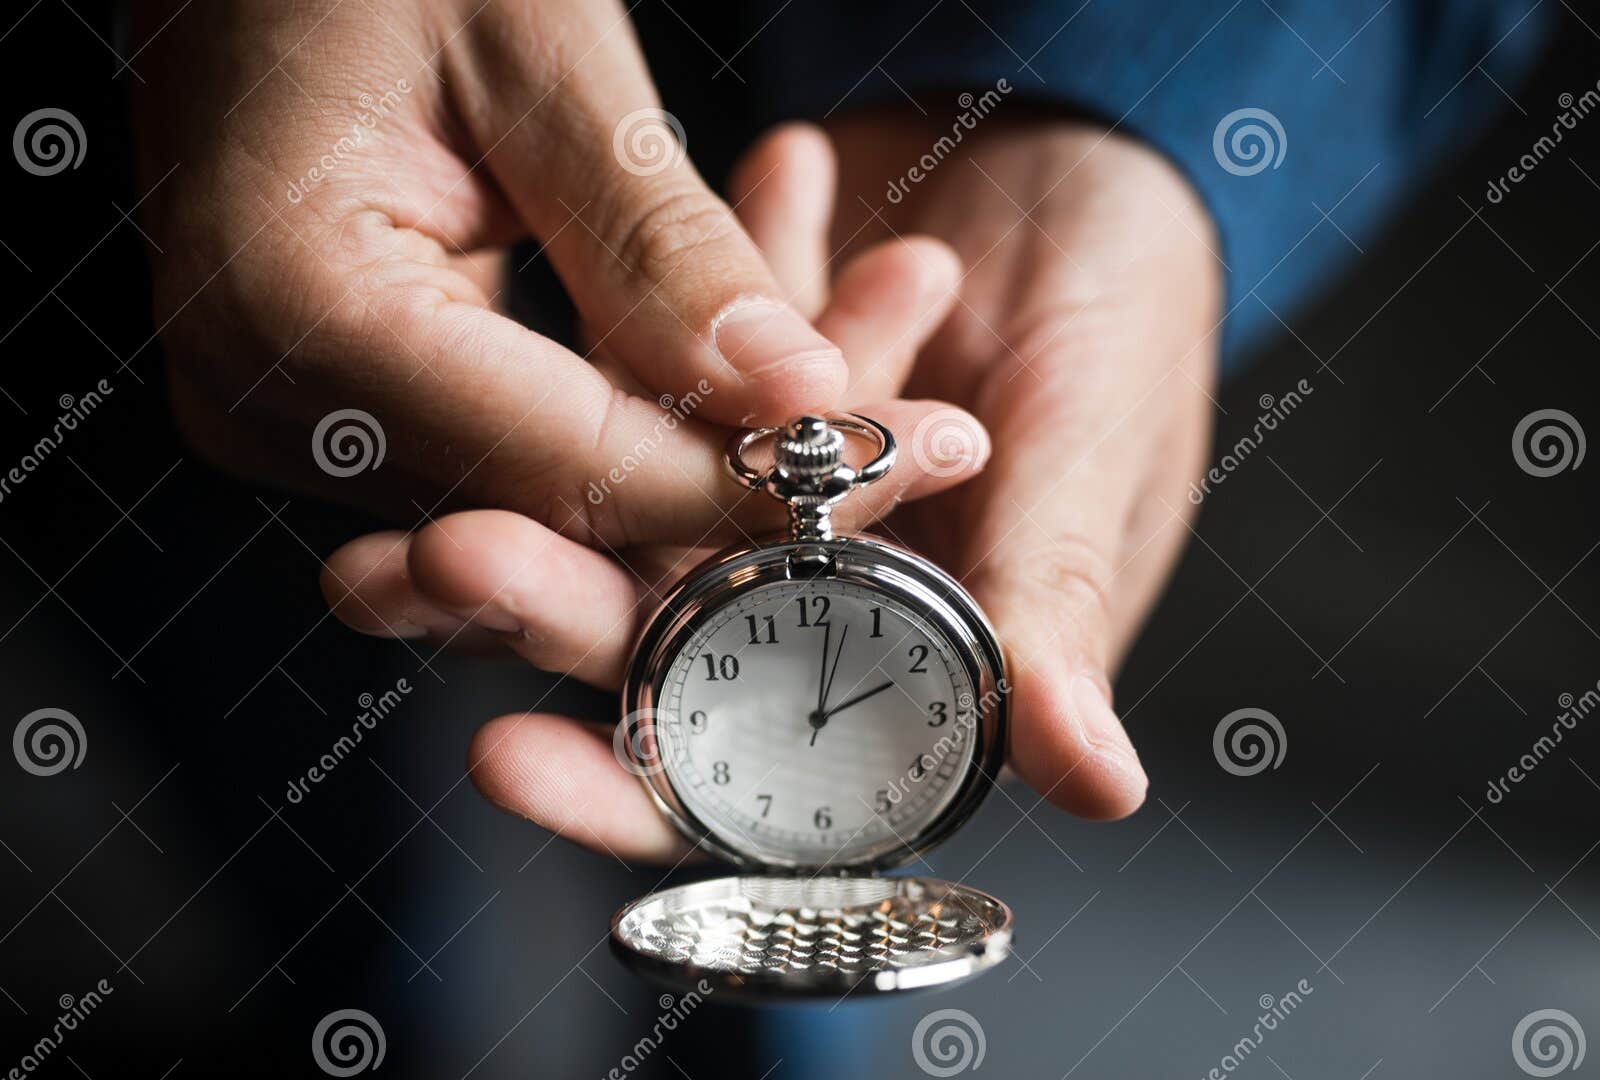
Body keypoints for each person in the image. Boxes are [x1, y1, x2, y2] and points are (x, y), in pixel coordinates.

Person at [131, 0, 1549, 862]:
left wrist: (1105, 125)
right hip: (266, 195)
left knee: (742, 892)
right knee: (277, 701)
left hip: (921, 54)